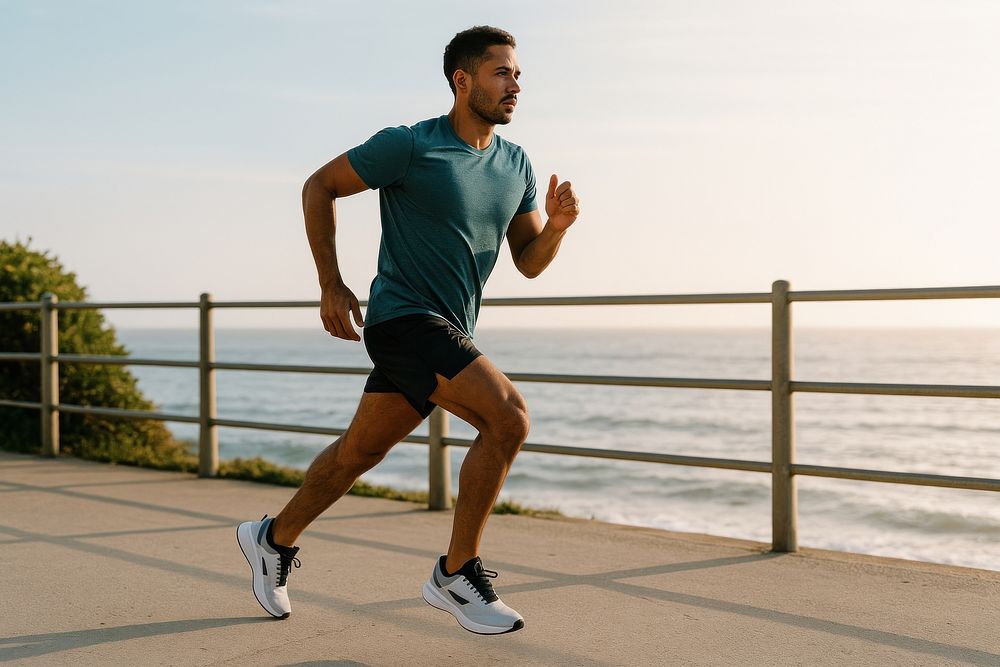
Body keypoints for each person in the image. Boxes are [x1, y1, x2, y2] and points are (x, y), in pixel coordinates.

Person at [237, 25, 580, 635]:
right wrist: (331, 283)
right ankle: (456, 572)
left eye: (518, 74)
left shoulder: (515, 163)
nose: (515, 85)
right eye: (502, 73)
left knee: (358, 453)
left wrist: (555, 228)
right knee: (509, 419)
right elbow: (320, 186)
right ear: (462, 80)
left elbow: (527, 261)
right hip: (401, 319)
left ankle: (272, 538)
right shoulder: (409, 145)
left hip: (449, 327)